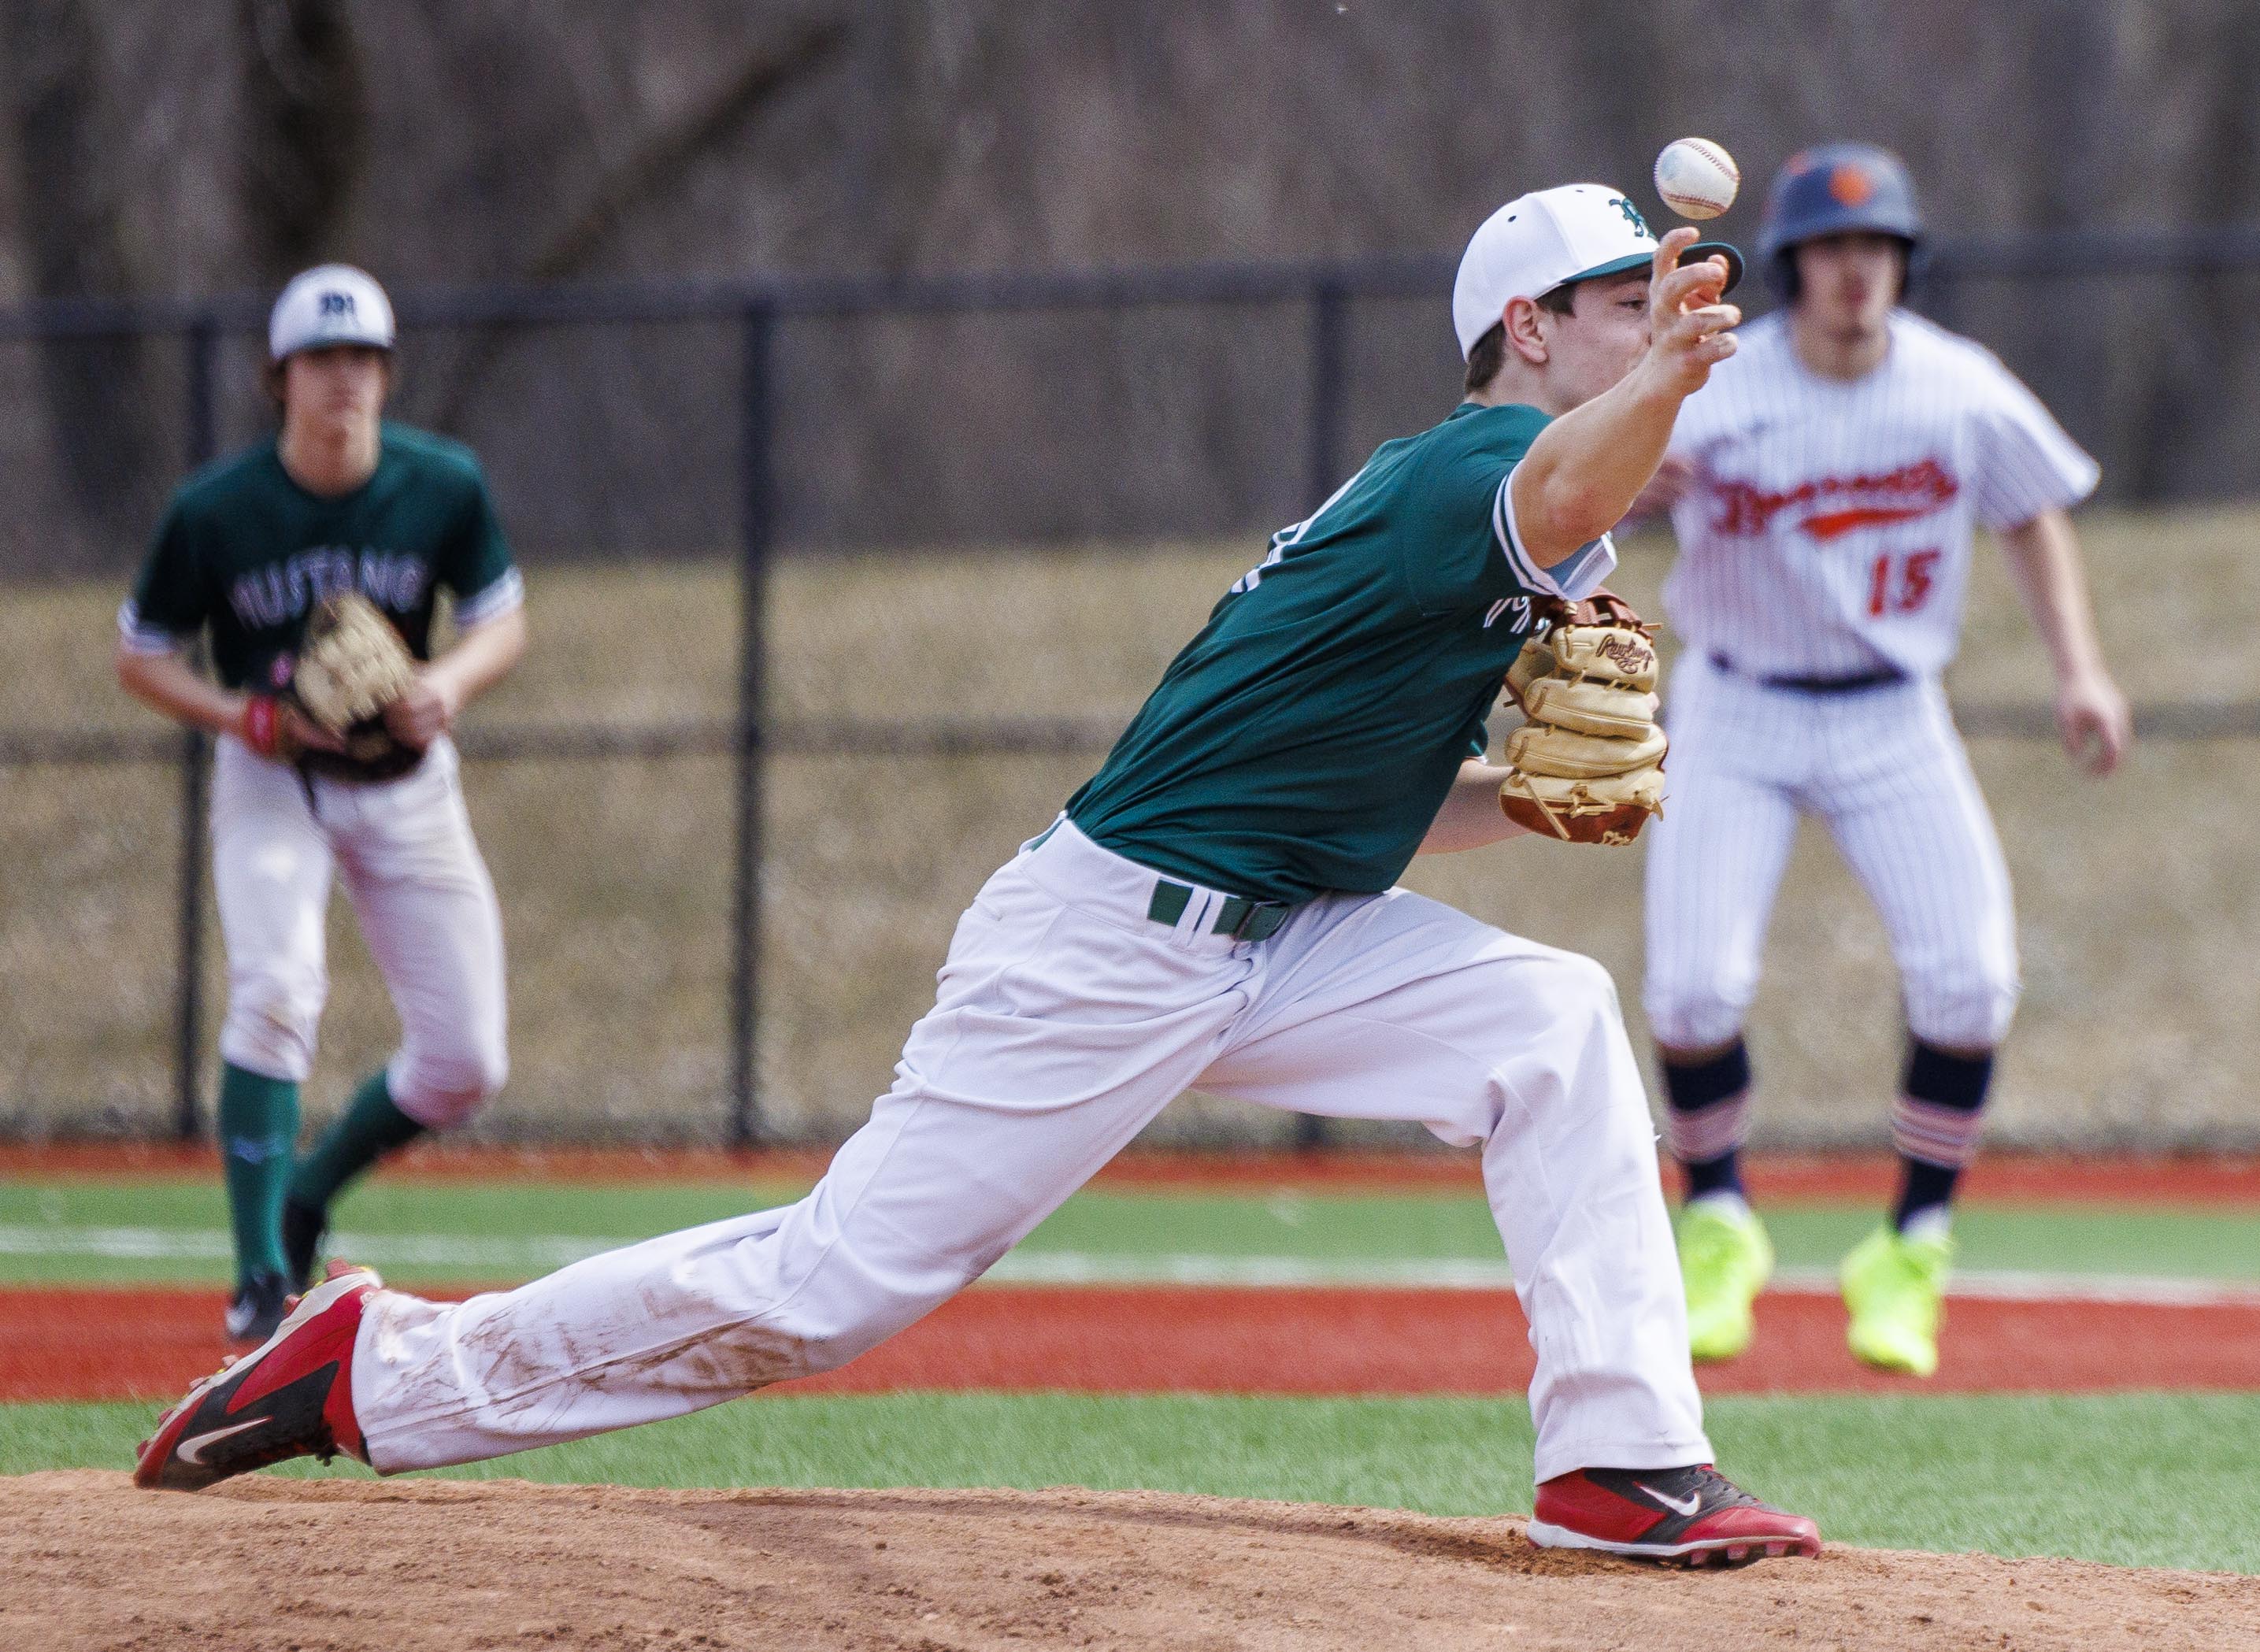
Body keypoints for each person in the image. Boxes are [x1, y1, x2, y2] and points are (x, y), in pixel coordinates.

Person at [136, 192, 1821, 1566]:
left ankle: (1622, 1460)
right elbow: (1570, 470)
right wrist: (1665, 377)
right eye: (1614, 299)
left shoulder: (1503, 516)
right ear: (1528, 327)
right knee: (825, 1291)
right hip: (1114, 941)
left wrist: (1507, 813)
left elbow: (1344, 783)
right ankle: (375, 1362)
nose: (1642, 323)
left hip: (1279, 925)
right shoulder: (1471, 471)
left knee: (1551, 1019)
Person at [1639, 145, 2132, 1376]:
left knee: (1968, 981)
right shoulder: (1718, 385)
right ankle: (1716, 1217)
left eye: (1874, 248)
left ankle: (1910, 1244)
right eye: (1827, 250)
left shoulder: (1956, 388)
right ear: (1794, 264)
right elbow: (1598, 480)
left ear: (1901, 262)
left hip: (1889, 711)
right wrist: (1633, 470)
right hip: (1737, 703)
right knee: (1693, 989)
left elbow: (2031, 506)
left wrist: (2079, 665)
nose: (1852, 271)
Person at [116, 265, 528, 1345]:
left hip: (406, 784)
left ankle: (307, 1192)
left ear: (386, 375)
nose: (342, 379)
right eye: (319, 360)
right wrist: (238, 714)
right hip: (276, 781)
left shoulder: (443, 484)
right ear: (280, 378)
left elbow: (501, 619)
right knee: (277, 990)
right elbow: (141, 652)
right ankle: (259, 1273)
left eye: (361, 359)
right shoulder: (215, 509)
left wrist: (449, 682)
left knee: (467, 1058)